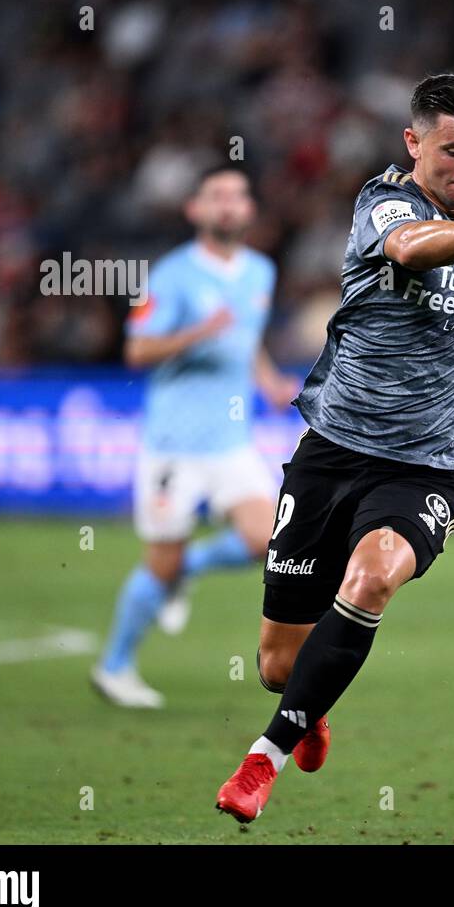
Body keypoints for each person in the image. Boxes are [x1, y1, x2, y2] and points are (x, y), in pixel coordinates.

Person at [214, 74, 454, 823]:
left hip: (428, 468)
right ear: (412, 143)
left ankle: (263, 757)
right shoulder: (385, 205)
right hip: (331, 452)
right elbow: (413, 250)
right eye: (450, 150)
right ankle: (307, 706)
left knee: (374, 578)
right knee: (280, 666)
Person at [92, 165, 300, 709]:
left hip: (231, 442)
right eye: (216, 196)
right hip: (174, 446)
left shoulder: (259, 271)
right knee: (158, 559)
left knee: (272, 540)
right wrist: (196, 334)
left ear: (250, 210)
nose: (229, 205)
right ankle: (115, 667)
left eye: (239, 195)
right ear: (195, 211)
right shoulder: (172, 276)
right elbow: (137, 352)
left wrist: (269, 379)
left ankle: (188, 569)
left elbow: (246, 340)